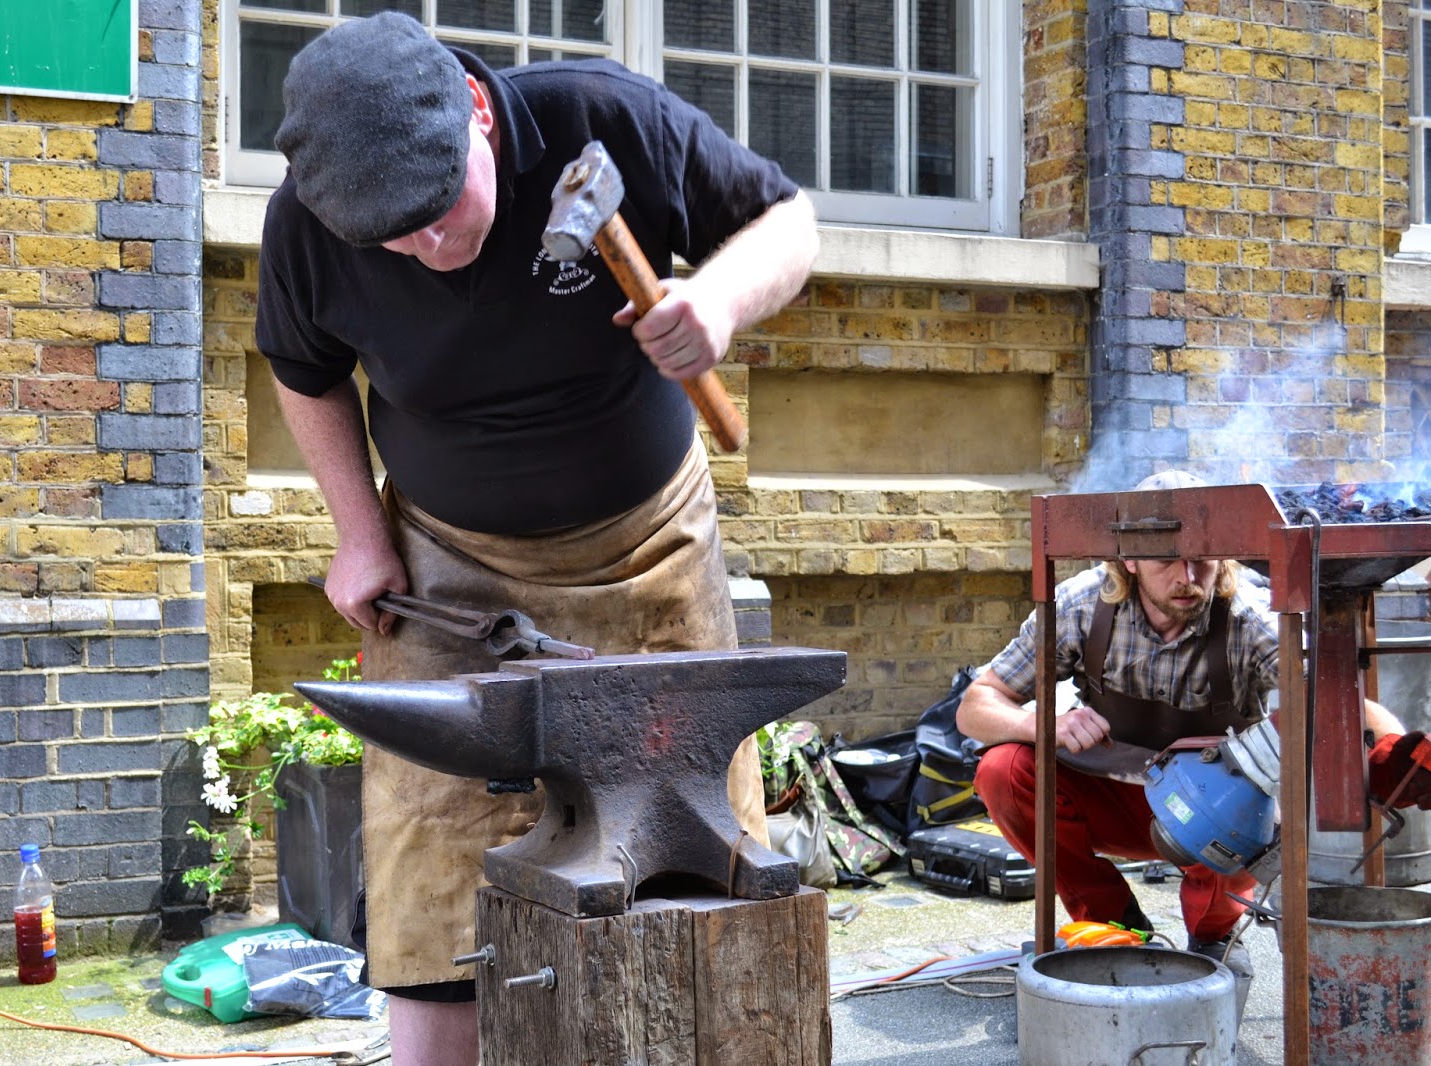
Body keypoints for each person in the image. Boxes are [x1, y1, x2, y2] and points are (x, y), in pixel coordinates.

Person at [253, 13, 818, 1065]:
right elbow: (303, 367)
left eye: (437, 210)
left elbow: (791, 222)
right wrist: (357, 533)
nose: (425, 247)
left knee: (701, 854)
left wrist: (719, 300)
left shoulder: (601, 119)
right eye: (394, 239)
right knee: (432, 856)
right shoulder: (308, 224)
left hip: (652, 549)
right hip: (449, 571)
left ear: (476, 112)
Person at [957, 470, 1430, 983]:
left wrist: (1398, 754)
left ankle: (1214, 933)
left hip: (1220, 817)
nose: (1187, 577)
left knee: (1242, 788)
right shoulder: (1080, 606)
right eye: (1166, 561)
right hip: (1115, 802)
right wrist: (1045, 724)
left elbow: (1342, 701)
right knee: (1002, 769)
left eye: (1202, 560)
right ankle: (1112, 923)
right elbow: (976, 706)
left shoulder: (1250, 616)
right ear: (1129, 561)